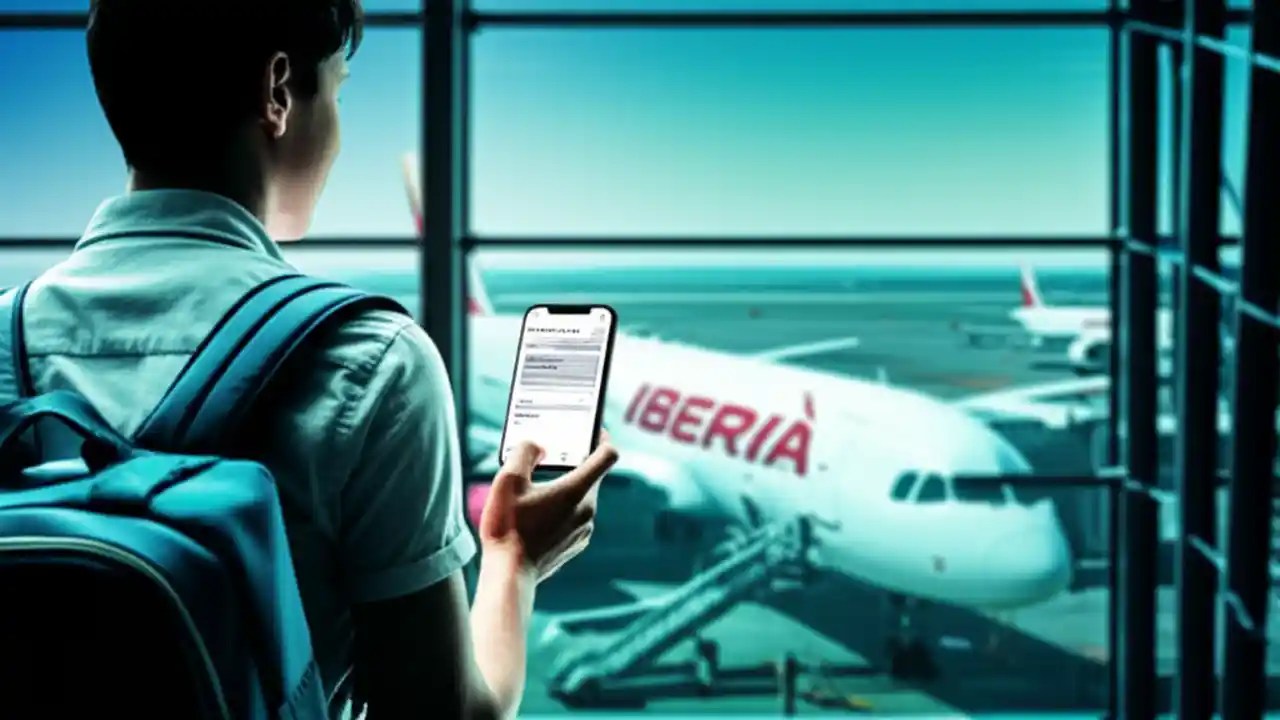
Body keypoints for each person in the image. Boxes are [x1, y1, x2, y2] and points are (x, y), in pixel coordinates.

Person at [16, 2, 619, 718]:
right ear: (278, 93)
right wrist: (514, 562)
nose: (337, 130)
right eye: (337, 89)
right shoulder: (372, 362)